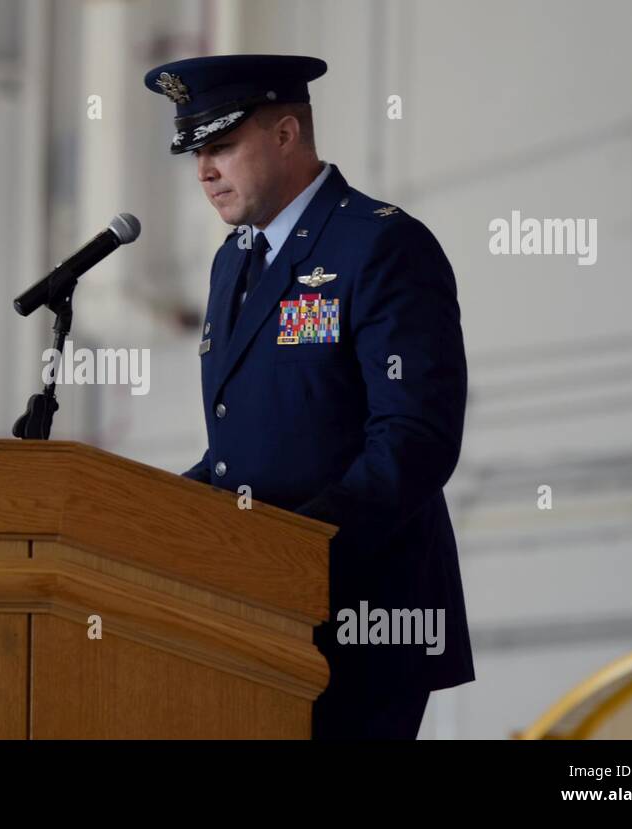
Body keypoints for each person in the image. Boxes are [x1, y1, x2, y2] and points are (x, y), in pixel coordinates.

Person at [144, 54, 475, 739]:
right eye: (196, 152)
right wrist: (152, 518)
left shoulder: (380, 244)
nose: (204, 170)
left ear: (288, 134)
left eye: (222, 145)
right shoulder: (232, 261)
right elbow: (243, 453)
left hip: (363, 620)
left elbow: (415, 437)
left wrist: (295, 550)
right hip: (260, 618)